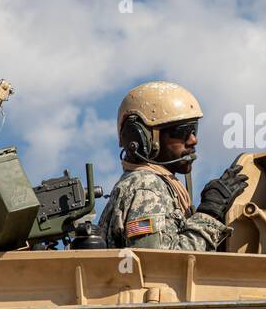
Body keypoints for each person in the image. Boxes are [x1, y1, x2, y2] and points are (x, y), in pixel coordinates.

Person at [97, 81, 249, 250]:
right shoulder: (145, 186)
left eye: (194, 130)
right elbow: (157, 267)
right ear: (143, 138)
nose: (193, 140)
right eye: (182, 131)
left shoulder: (159, 186)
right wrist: (209, 214)